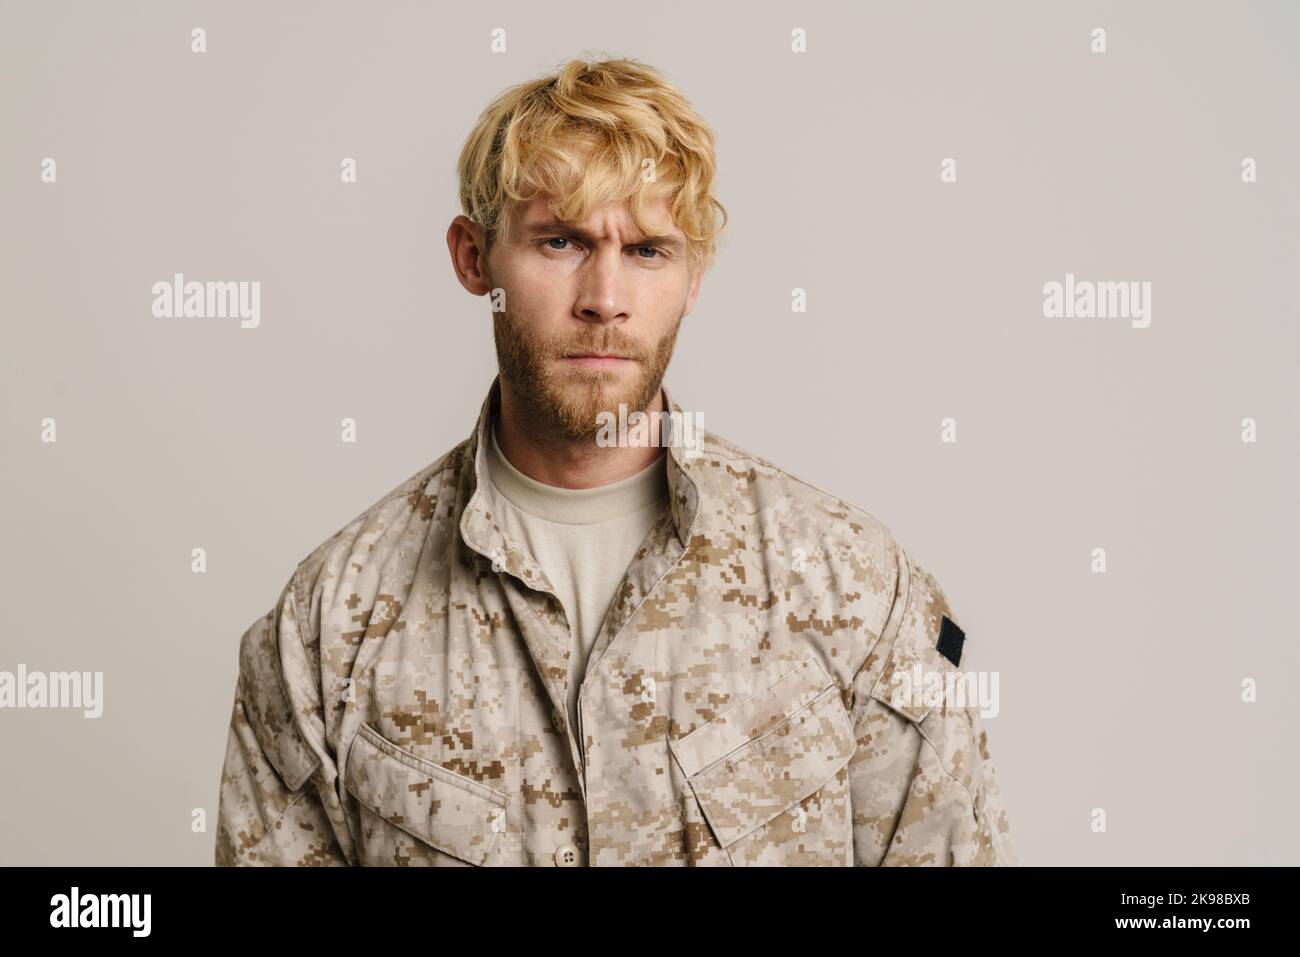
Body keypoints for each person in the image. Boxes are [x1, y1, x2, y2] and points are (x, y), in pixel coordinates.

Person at [215, 56, 1016, 867]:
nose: (604, 296)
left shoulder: (854, 588)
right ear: (472, 258)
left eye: (646, 250)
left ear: (694, 277)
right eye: (560, 241)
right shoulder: (326, 627)